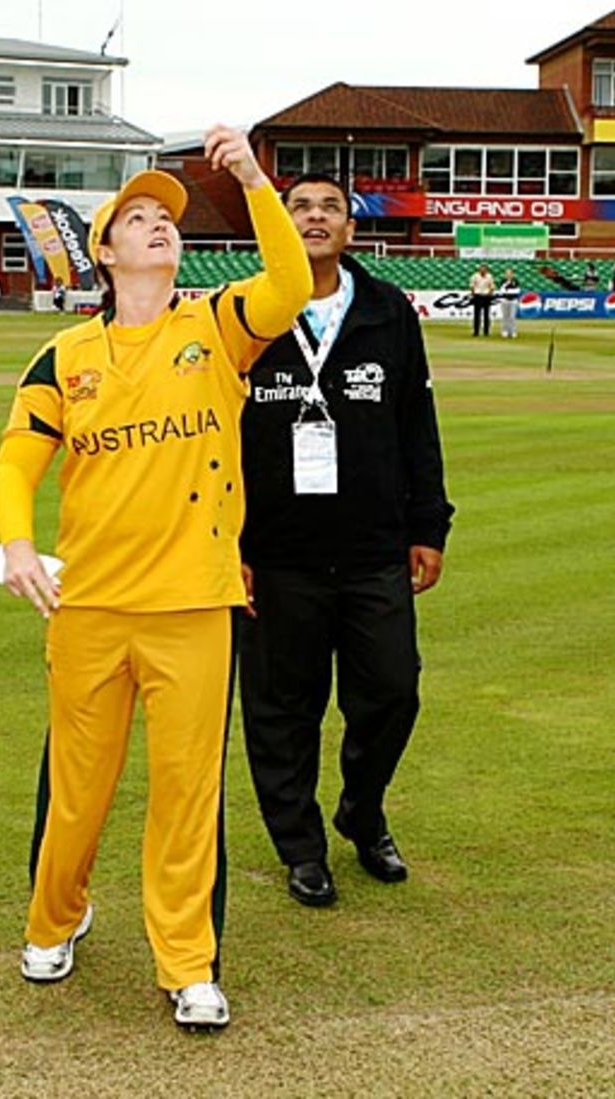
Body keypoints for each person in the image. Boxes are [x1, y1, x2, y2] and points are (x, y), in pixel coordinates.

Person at [0, 126, 311, 1030]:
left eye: (165, 218)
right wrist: (17, 543)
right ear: (105, 252)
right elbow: (17, 464)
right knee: (79, 792)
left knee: (185, 794)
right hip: (87, 606)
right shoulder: (64, 355)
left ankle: (187, 961)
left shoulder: (214, 324)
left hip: (195, 604)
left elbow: (288, 285)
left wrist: (252, 179)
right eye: (136, 218)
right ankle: (55, 919)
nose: (158, 227)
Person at [238, 172, 454, 909]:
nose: (316, 216)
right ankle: (300, 847)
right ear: (277, 222)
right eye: (300, 206)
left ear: (352, 230)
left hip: (372, 549)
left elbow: (416, 427)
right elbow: (214, 439)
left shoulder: (390, 312)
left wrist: (429, 525)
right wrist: (225, 542)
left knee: (392, 692)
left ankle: (362, 811)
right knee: (281, 712)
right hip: (276, 554)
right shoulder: (243, 313)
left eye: (331, 207)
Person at [469, 263, 495, 337]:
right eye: (481, 268)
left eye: (484, 269)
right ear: (479, 269)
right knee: (477, 315)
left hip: (486, 296)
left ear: (486, 270)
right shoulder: (475, 276)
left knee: (487, 315)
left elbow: (492, 286)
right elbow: (472, 286)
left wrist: (490, 294)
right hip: (478, 296)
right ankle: (476, 331)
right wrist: (474, 294)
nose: (483, 270)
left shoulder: (489, 276)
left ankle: (486, 332)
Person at [497, 267, 520, 338]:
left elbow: (517, 291)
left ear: (512, 274)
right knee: (505, 316)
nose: (508, 275)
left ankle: (512, 331)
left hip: (513, 301)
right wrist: (508, 289)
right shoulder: (503, 281)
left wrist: (508, 291)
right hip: (504, 300)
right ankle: (504, 331)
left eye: (510, 273)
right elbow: (501, 291)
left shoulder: (515, 281)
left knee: (512, 317)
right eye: (507, 273)